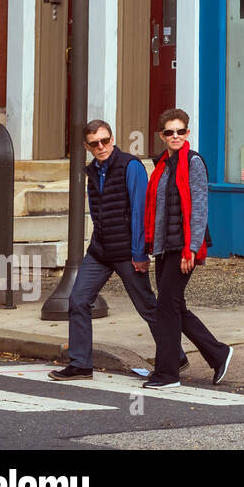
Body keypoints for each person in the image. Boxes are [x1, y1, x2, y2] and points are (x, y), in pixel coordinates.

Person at [49, 120, 188, 379]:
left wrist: (140, 253)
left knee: (147, 306)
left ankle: (175, 356)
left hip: (127, 252)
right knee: (78, 300)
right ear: (86, 146)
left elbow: (139, 212)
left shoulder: (130, 166)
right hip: (100, 251)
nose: (101, 146)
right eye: (94, 143)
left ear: (112, 139)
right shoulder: (92, 171)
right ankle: (80, 364)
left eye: (105, 140)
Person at [140, 108, 232, 390]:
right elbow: (155, 210)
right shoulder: (162, 165)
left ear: (187, 133)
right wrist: (147, 248)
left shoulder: (192, 163)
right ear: (162, 136)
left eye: (180, 131)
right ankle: (218, 353)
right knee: (174, 306)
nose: (175, 136)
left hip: (183, 246)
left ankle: (167, 373)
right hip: (163, 247)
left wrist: (191, 249)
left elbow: (200, 208)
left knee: (166, 308)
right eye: (169, 132)